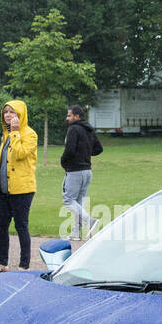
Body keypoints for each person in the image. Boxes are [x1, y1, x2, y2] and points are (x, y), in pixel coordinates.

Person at [0, 100, 38, 272]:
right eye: (6, 112)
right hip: (5, 190)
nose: (8, 115)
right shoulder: (6, 135)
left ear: (21, 114)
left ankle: (24, 265)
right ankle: (2, 263)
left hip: (22, 189)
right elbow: (1, 164)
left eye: (12, 112)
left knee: (21, 226)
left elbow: (20, 154)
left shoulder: (29, 134)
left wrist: (16, 133)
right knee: (1, 225)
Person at [60, 103, 102, 240]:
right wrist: (85, 154)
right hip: (87, 171)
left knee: (68, 200)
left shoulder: (73, 129)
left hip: (75, 170)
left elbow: (70, 150)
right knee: (78, 202)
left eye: (69, 115)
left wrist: (63, 162)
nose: (67, 118)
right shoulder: (89, 129)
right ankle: (76, 233)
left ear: (77, 116)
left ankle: (90, 221)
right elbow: (99, 148)